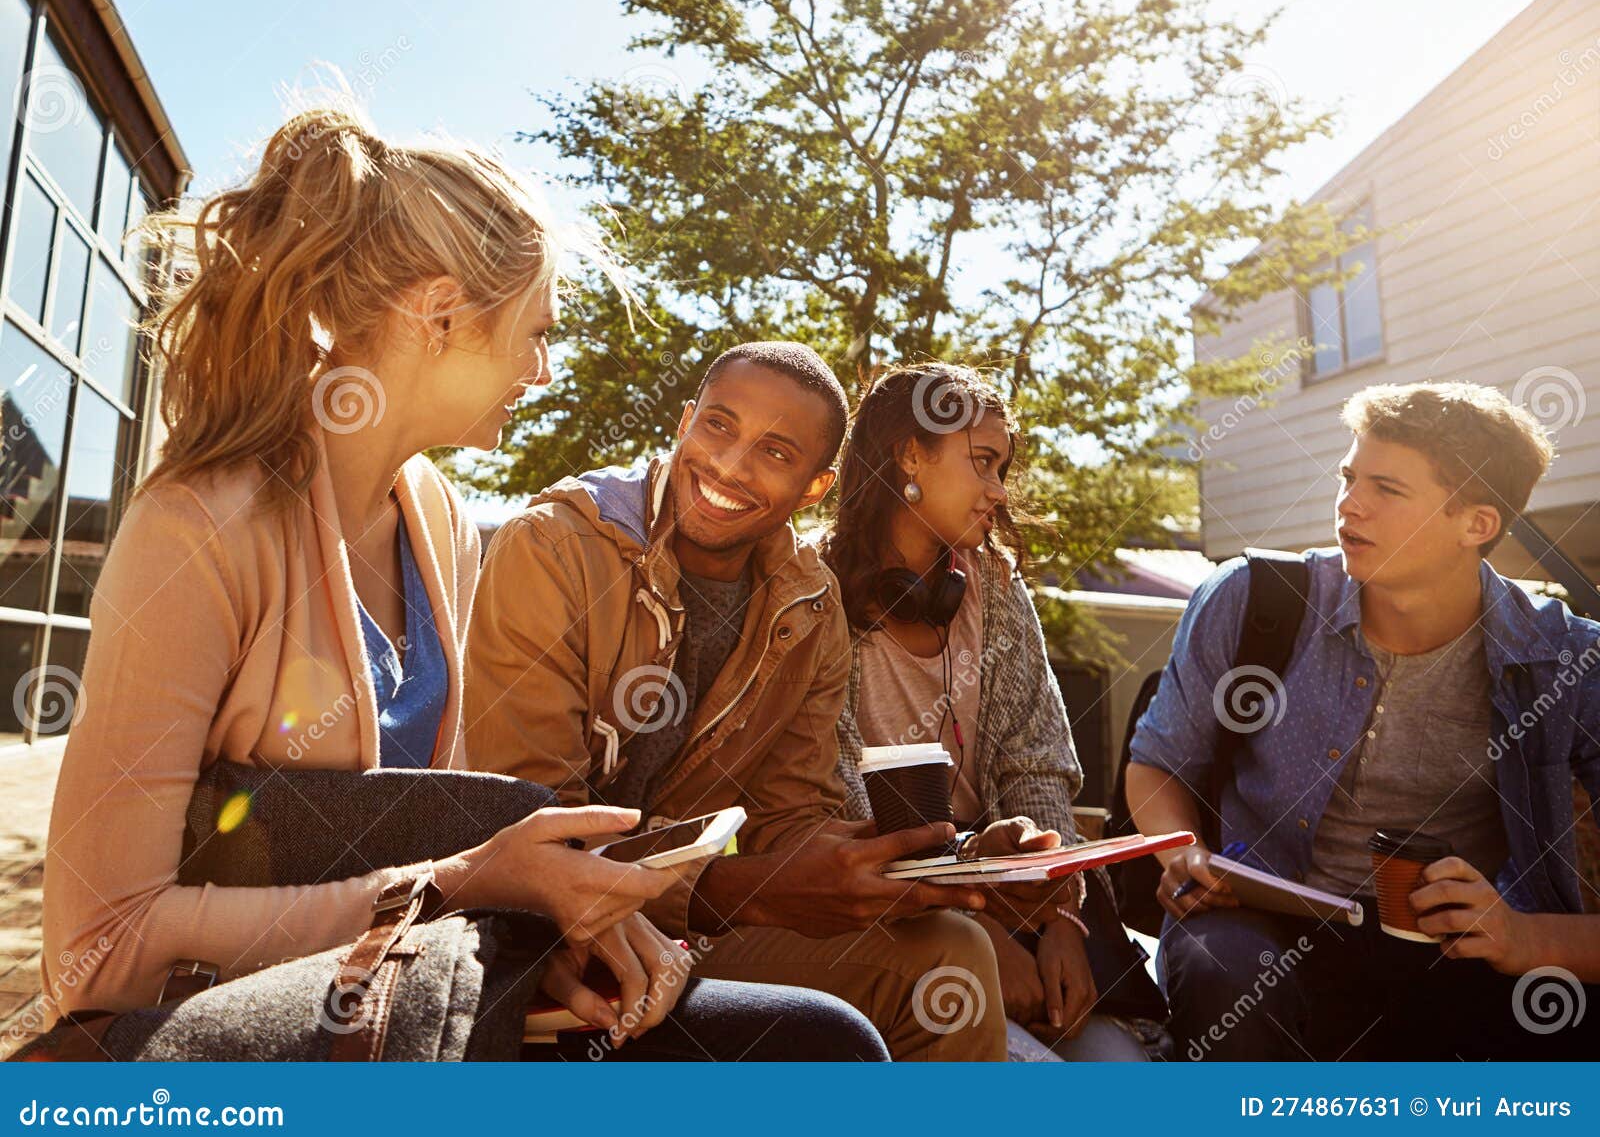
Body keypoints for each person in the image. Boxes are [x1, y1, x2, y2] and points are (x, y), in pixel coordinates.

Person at [40, 110, 885, 1062]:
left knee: (822, 1044)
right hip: (248, 1039)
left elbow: (428, 850)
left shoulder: (437, 517)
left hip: (406, 993)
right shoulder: (197, 531)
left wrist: (538, 931)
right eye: (534, 334)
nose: (542, 370)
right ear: (441, 313)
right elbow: (93, 953)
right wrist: (461, 888)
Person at [464, 341, 1008, 1060]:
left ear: (816, 487)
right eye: (718, 426)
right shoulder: (555, 549)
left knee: (951, 951)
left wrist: (941, 862)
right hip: (530, 930)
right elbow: (534, 823)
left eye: (776, 453)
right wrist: (740, 889)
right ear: (685, 421)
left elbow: (790, 815)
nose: (728, 465)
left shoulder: (812, 605)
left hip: (688, 922)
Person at [1127, 381, 1600, 1060]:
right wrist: (1184, 852)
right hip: (1254, 921)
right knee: (1224, 979)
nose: (1349, 503)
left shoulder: (1568, 660)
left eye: (1387, 488)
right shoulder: (1255, 599)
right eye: (1349, 477)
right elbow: (1157, 762)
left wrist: (1524, 937)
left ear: (1476, 524)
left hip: (1450, 946)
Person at [825, 363, 1152, 1061]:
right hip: (895, 912)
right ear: (910, 453)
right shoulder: (811, 595)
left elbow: (1040, 763)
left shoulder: (995, 588)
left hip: (1020, 898)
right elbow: (835, 799)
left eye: (1001, 467)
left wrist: (1064, 914)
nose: (998, 491)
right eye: (983, 463)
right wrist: (969, 924)